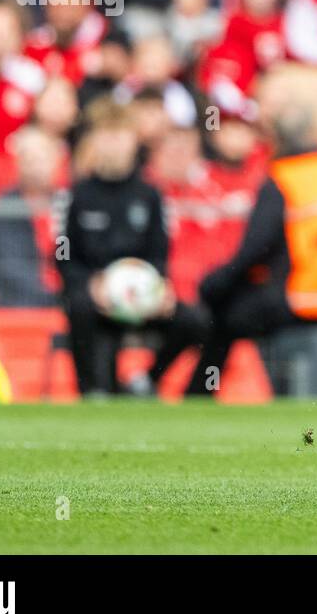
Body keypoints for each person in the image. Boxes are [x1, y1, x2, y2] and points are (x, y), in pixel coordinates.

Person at [187, 110, 317, 396]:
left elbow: (255, 250)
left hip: (306, 301)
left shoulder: (283, 178)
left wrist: (213, 284)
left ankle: (196, 395)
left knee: (223, 316)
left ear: (275, 139)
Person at [56, 98, 205, 397]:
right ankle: (93, 391)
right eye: (106, 136)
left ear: (133, 141)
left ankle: (146, 380)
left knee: (196, 322)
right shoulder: (78, 195)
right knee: (78, 305)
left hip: (141, 294)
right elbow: (63, 257)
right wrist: (91, 284)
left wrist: (157, 286)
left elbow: (159, 253)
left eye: (119, 135)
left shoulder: (149, 195)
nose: (113, 145)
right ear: (94, 142)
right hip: (97, 297)